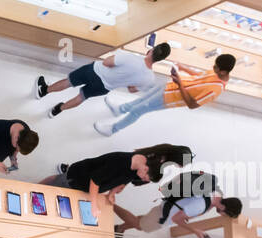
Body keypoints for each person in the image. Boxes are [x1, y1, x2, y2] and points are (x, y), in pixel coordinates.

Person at [94, 55, 235, 135]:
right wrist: (183, 68)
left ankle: (112, 129)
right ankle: (120, 109)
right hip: (169, 86)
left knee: (138, 110)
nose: (213, 68)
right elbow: (199, 76)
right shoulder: (216, 72)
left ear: (223, 72)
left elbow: (192, 105)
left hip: (169, 98)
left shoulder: (215, 89)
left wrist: (180, 84)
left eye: (216, 67)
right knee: (141, 99)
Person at [34, 43, 170, 118]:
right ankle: (57, 110)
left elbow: (106, 62)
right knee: (81, 97)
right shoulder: (149, 78)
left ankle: (44, 90)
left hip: (94, 71)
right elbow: (132, 89)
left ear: (151, 50)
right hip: (104, 87)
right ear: (160, 60)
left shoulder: (130, 57)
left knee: (69, 82)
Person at [113, 170, 243, 238]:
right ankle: (110, 206)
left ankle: (120, 228)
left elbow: (194, 204)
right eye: (226, 214)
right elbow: (176, 219)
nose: (223, 216)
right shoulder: (201, 205)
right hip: (165, 215)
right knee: (139, 225)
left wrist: (189, 213)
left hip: (168, 206)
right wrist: (195, 230)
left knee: (143, 220)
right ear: (224, 208)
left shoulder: (216, 193)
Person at [39, 146, 180, 213]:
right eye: (145, 177)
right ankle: (35, 187)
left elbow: (124, 180)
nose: (142, 179)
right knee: (58, 181)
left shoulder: (137, 169)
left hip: (87, 186)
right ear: (146, 167)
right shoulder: (119, 161)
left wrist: (112, 193)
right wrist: (93, 205)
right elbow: (95, 181)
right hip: (78, 176)